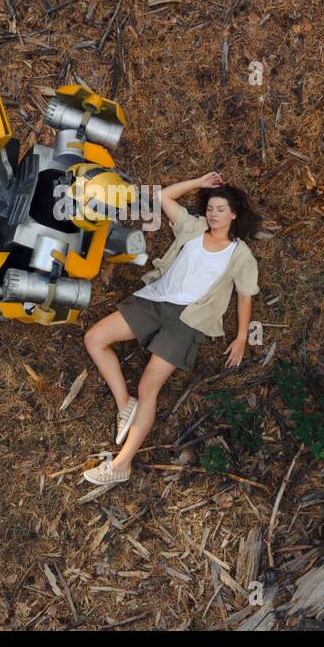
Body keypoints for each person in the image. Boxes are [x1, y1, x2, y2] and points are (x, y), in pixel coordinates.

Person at [81, 172, 261, 485]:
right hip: (153, 302)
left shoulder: (241, 255)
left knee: (149, 387)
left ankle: (122, 464)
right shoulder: (193, 227)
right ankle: (125, 404)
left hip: (187, 321)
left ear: (233, 214)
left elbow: (245, 295)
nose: (214, 214)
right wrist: (199, 183)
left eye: (221, 209)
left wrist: (242, 336)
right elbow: (163, 197)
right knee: (94, 338)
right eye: (210, 208)